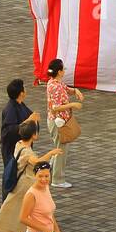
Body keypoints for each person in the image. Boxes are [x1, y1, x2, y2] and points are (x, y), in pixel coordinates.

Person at [44, 58, 81, 188]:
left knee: (60, 148)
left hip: (60, 121)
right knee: (61, 151)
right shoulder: (55, 86)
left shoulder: (55, 82)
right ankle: (57, 179)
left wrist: (76, 90)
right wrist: (73, 104)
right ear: (59, 72)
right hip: (58, 122)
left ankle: (49, 171)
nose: (64, 70)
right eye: (63, 69)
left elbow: (66, 88)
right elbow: (55, 107)